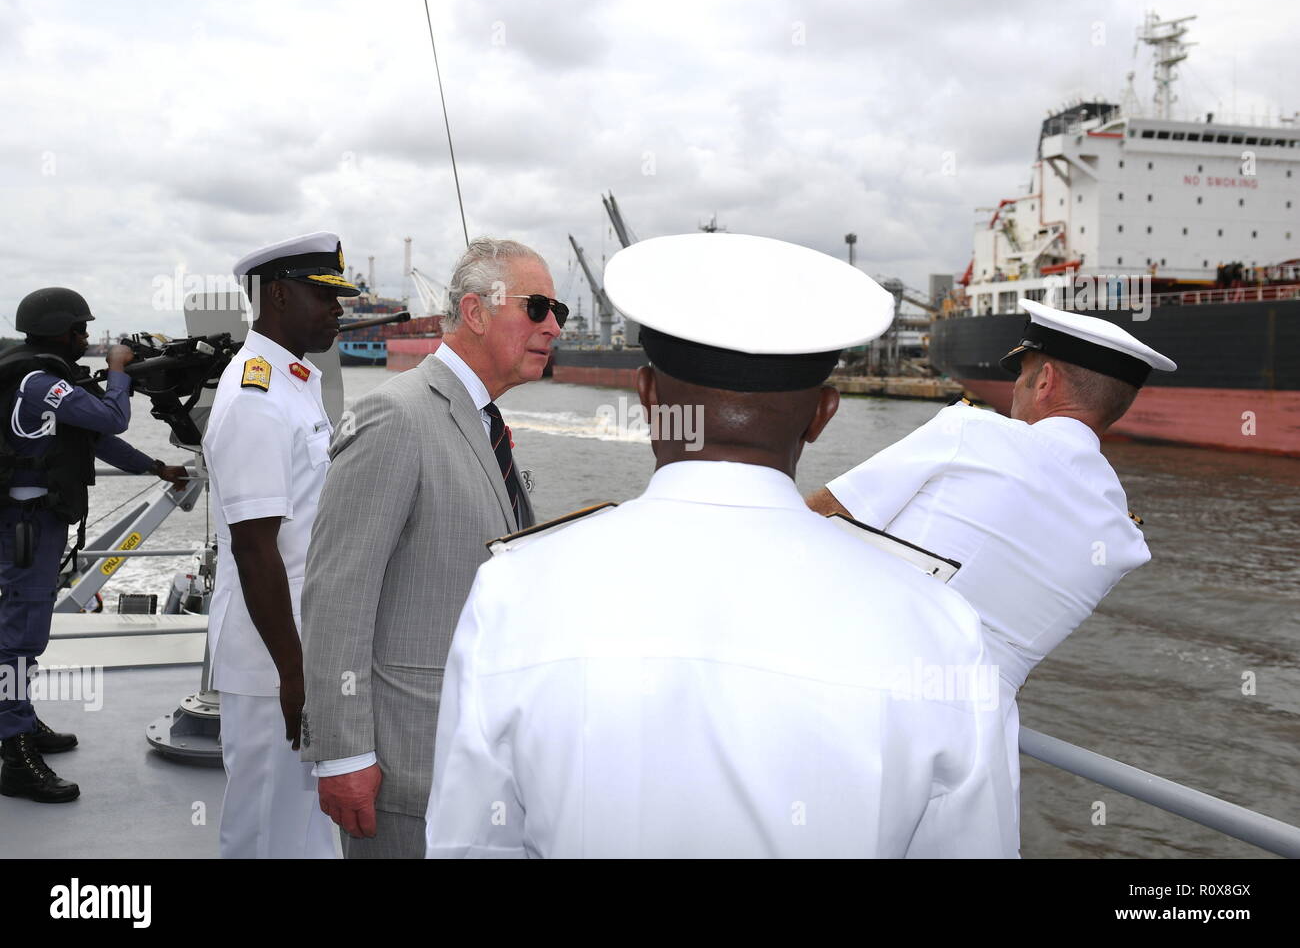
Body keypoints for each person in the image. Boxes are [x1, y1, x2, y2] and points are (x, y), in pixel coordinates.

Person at [424, 233, 1018, 858]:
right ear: (823, 414)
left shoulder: (516, 592)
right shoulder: (937, 625)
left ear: (649, 397)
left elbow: (471, 843)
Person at [806, 299, 1177, 841]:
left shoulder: (969, 433)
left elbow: (816, 517)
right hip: (977, 749)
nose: (1015, 394)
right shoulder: (1121, 534)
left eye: (1022, 377)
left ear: (1046, 379)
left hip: (859, 703)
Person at [301, 237, 562, 858]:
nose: (554, 325)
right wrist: (344, 755)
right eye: (538, 307)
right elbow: (337, 594)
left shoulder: (483, 422)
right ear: (475, 312)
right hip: (407, 765)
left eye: (559, 313)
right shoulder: (396, 417)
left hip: (478, 756)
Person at [202, 231, 357, 858]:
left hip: (297, 640)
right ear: (282, 295)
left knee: (302, 827)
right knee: (266, 830)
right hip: (272, 658)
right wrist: (292, 673)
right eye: (326, 297)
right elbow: (254, 548)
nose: (338, 311)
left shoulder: (294, 382)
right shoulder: (255, 398)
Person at [0, 287, 185, 803]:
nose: (86, 337)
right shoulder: (37, 380)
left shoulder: (45, 378)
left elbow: (95, 439)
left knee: (24, 632)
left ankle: (20, 722)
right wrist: (120, 368)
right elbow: (111, 418)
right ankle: (13, 752)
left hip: (37, 521)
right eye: (82, 329)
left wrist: (153, 467)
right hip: (25, 525)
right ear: (62, 331)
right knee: (19, 637)